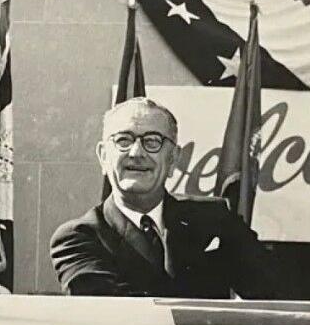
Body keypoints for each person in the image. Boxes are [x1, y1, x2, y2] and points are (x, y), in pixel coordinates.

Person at [50, 97, 277, 299]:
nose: (136, 153)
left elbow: (272, 286)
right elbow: (112, 313)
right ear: (103, 156)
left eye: (152, 141)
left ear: (173, 159)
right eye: (123, 140)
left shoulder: (215, 218)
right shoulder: (77, 238)